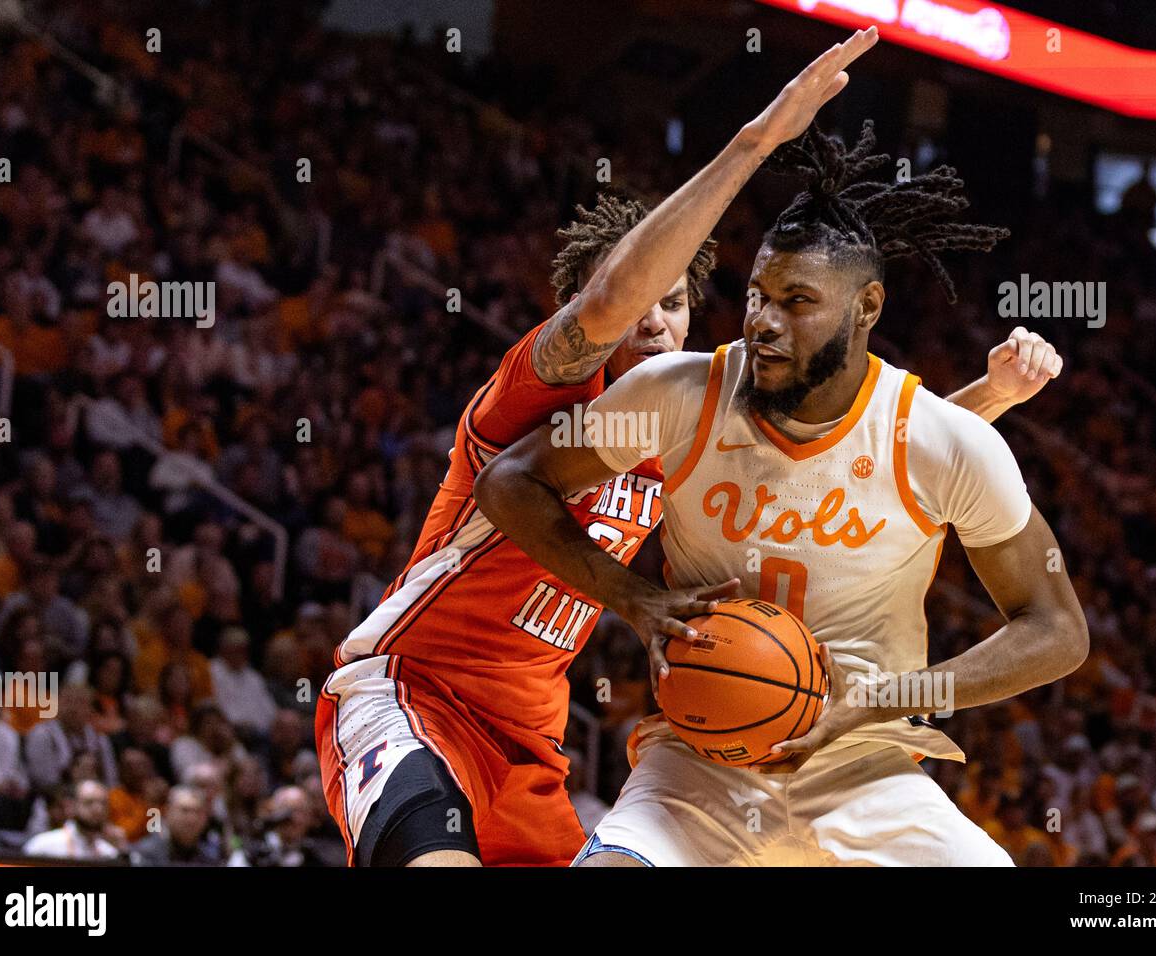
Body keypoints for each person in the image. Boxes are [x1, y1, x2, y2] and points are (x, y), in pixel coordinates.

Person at [318, 27, 1061, 868]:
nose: (652, 319)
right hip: (414, 692)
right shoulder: (545, 397)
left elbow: (852, 462)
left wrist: (988, 401)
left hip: (528, 739)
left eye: (674, 302)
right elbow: (606, 306)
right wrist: (756, 142)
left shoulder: (680, 432)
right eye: (639, 297)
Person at [475, 116, 1089, 866]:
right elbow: (510, 479)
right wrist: (631, 598)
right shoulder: (678, 392)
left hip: (865, 766)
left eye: (797, 302)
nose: (764, 321)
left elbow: (1056, 629)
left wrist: (888, 695)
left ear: (865, 308)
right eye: (757, 295)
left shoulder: (945, 439)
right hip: (696, 762)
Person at [21, 779, 121, 860]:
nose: (98, 810)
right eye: (89, 802)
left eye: (103, 803)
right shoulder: (44, 845)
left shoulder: (109, 853)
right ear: (73, 806)